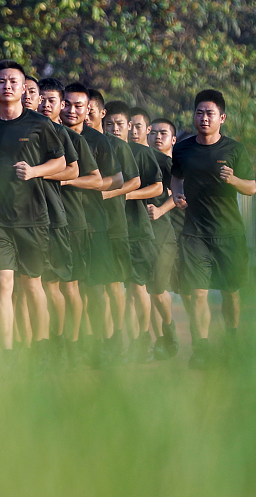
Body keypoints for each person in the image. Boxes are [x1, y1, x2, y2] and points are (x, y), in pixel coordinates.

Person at [0, 60, 66, 370]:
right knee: (2, 286)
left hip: (32, 215)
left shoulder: (40, 124)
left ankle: (41, 348)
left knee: (32, 284)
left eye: (13, 81)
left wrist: (35, 171)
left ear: (24, 87)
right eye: (1, 81)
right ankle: (6, 353)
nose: (7, 86)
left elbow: (61, 163)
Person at [171, 89, 256, 370]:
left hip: (229, 233)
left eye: (209, 114)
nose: (203, 118)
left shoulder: (234, 150)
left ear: (222, 118)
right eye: (199, 112)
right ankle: (201, 348)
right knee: (197, 293)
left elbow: (252, 188)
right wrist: (176, 195)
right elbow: (176, 177)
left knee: (231, 293)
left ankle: (232, 342)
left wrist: (233, 180)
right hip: (195, 233)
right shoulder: (182, 149)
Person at [61, 83, 120, 367]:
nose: (72, 110)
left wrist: (70, 181)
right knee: (67, 288)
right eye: (67, 104)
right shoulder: (51, 136)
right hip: (60, 224)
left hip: (94, 224)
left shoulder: (100, 141)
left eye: (78, 106)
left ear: (88, 110)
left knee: (95, 289)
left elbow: (114, 181)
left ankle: (103, 345)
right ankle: (73, 347)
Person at [38, 77, 96, 365]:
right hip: (38, 220)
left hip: (71, 220)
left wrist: (44, 174)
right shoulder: (29, 134)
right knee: (46, 285)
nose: (45, 105)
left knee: (70, 286)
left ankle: (73, 344)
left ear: (59, 105)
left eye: (52, 101)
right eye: (41, 99)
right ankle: (53, 342)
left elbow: (92, 178)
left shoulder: (74, 139)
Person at [103, 101, 163, 361]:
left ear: (129, 126)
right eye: (110, 125)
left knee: (138, 288)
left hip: (138, 231)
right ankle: (116, 344)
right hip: (110, 231)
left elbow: (158, 188)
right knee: (112, 289)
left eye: (120, 125)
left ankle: (142, 343)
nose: (114, 129)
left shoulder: (141, 152)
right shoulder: (102, 150)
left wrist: (124, 195)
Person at [89, 90, 140, 362]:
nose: (85, 114)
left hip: (114, 225)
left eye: (90, 109)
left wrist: (105, 195)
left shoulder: (117, 145)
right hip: (86, 226)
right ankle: (100, 338)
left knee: (113, 284)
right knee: (93, 287)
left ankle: (119, 337)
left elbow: (133, 181)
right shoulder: (76, 141)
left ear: (100, 112)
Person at [145, 115, 182, 360]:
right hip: (148, 233)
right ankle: (161, 338)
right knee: (153, 288)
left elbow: (183, 194)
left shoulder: (178, 166)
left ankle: (172, 336)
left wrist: (161, 209)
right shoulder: (143, 161)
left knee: (165, 289)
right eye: (154, 132)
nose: (158, 137)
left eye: (163, 133)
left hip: (177, 232)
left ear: (173, 139)